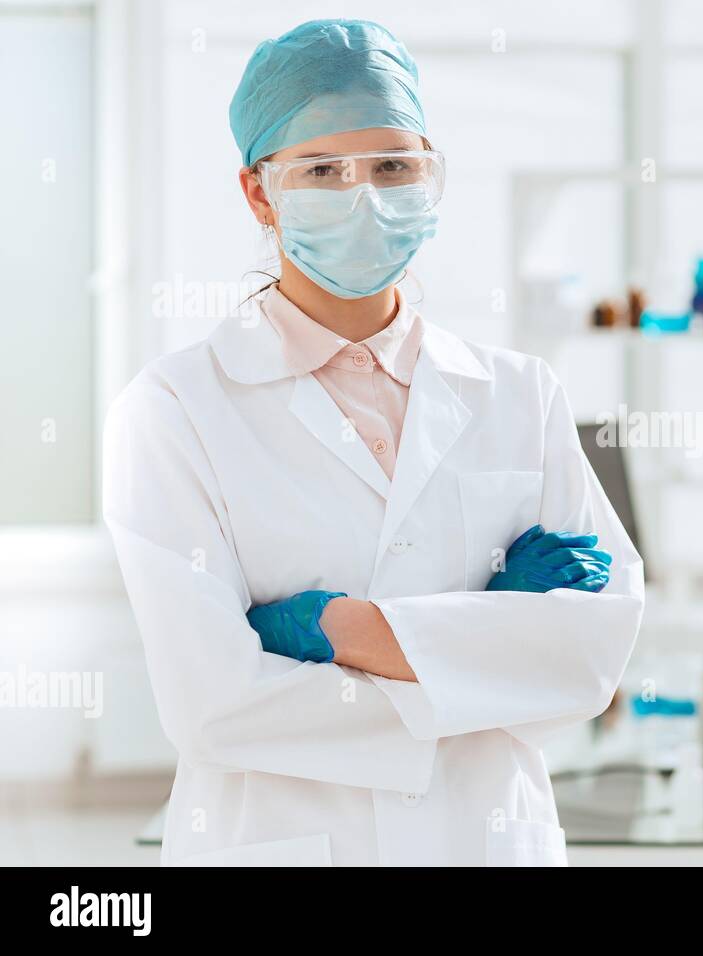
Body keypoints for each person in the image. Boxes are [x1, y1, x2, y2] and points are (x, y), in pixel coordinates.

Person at [102, 19, 643, 866]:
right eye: (321, 170)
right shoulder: (175, 408)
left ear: (431, 176)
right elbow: (213, 703)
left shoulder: (519, 394)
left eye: (393, 166)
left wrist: (333, 630)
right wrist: (489, 648)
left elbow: (588, 663)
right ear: (258, 194)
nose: (364, 195)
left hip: (486, 837)